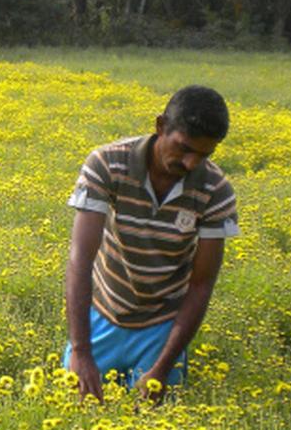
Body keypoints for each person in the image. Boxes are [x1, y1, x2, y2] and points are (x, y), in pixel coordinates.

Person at [64, 85, 239, 403]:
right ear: (161, 126)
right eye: (184, 148)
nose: (191, 163)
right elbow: (80, 259)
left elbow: (201, 285)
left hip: (161, 325)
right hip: (102, 314)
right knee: (74, 404)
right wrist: (81, 350)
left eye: (204, 155)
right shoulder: (106, 163)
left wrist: (163, 366)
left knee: (154, 416)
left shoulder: (216, 191)